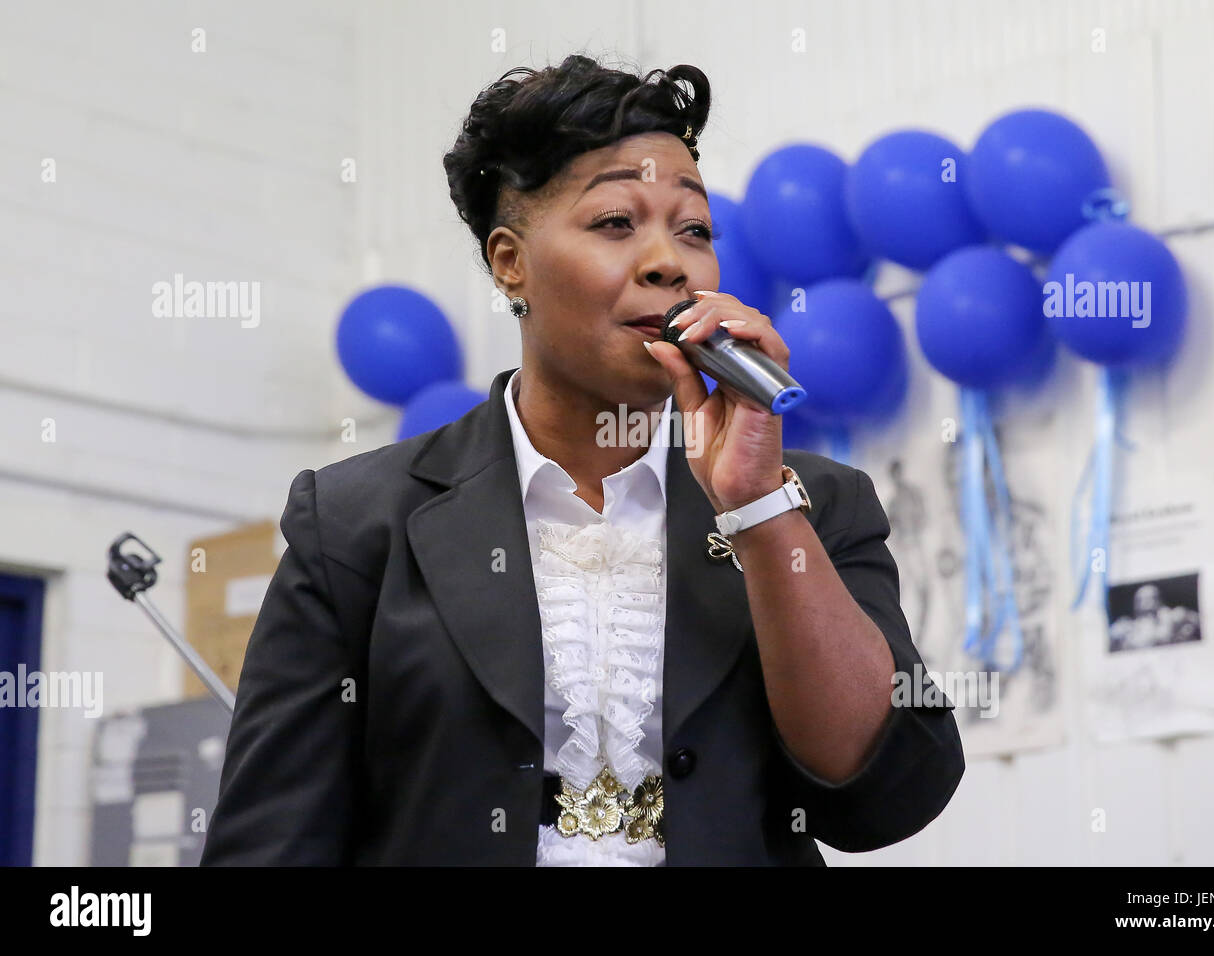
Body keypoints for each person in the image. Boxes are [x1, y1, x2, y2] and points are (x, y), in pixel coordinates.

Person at [200, 53, 964, 867]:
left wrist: (758, 512)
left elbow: (889, 796)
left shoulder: (816, 502)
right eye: (614, 223)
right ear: (510, 262)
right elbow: (270, 847)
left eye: (695, 229)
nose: (669, 261)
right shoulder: (356, 525)